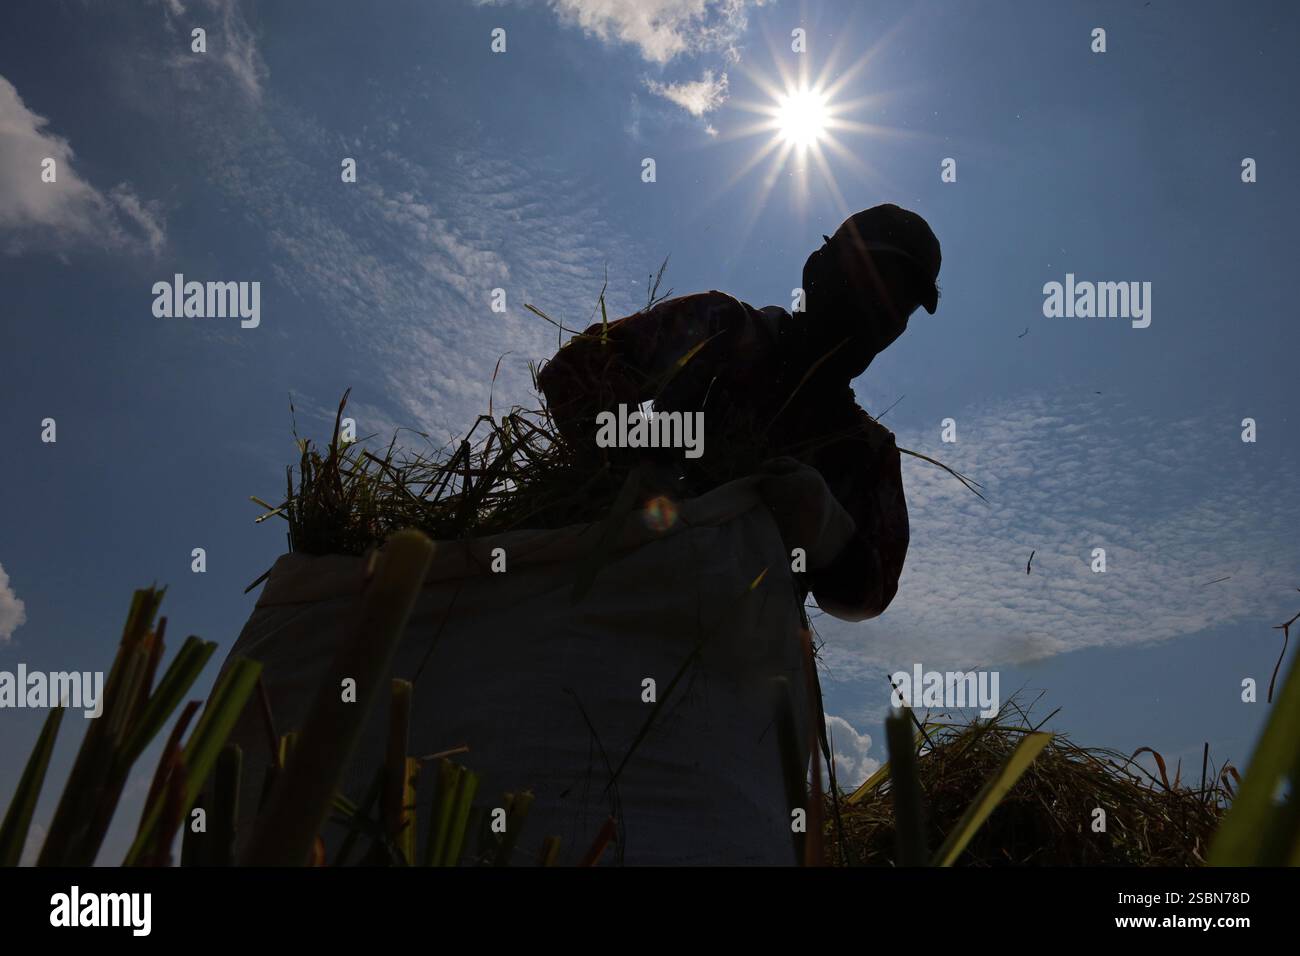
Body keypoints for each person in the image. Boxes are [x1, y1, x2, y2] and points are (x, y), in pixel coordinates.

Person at [538, 204, 941, 622]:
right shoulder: (721, 330)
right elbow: (578, 369)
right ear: (819, 272)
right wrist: (641, 465)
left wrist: (827, 531)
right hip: (617, 594)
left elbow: (871, 594)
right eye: (871, 283)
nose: (881, 315)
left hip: (739, 653)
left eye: (900, 305)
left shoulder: (867, 453)